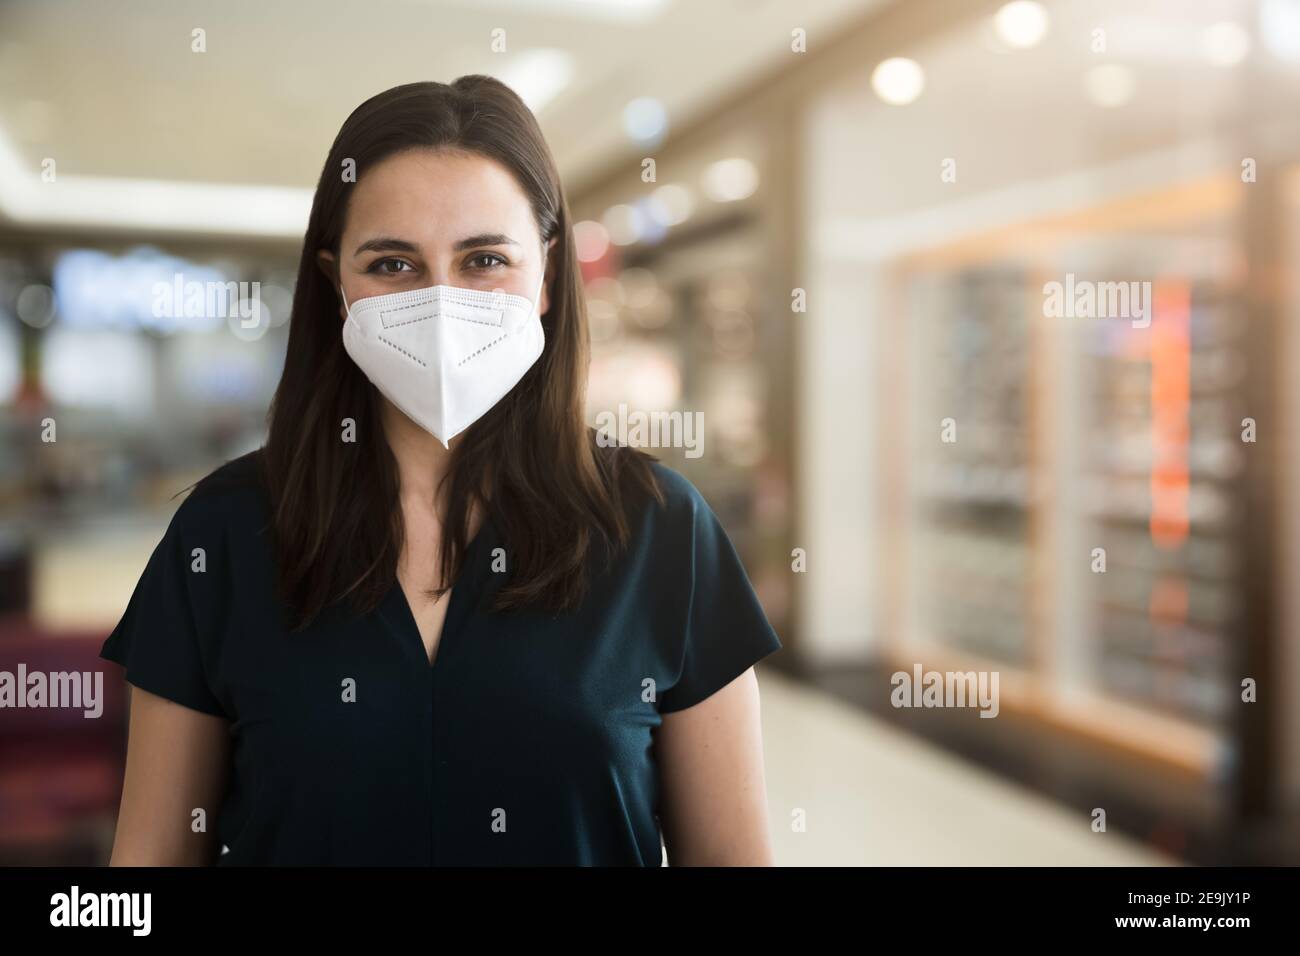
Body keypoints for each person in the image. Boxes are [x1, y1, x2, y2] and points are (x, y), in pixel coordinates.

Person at [101, 77, 783, 866]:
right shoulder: (223, 536)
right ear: (335, 286)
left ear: (549, 277)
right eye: (393, 264)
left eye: (485, 258)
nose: (441, 303)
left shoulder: (660, 530)